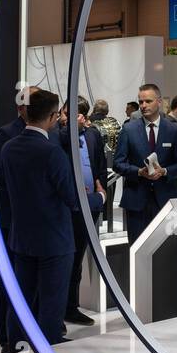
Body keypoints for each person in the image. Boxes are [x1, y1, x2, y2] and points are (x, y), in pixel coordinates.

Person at [0, 89, 102, 351]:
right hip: (55, 240)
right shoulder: (50, 153)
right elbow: (73, 199)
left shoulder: (9, 148)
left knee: (21, 300)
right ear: (53, 116)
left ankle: (16, 347)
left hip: (22, 238)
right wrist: (99, 198)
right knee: (51, 303)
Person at [114, 83, 177, 244]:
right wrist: (138, 172)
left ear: (159, 102)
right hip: (136, 200)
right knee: (137, 248)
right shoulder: (129, 129)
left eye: (148, 101)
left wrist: (165, 171)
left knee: (167, 248)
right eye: (141, 102)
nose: (143, 105)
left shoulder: (174, 129)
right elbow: (118, 163)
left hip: (166, 200)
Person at [59, 96, 108, 325]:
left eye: (73, 114)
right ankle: (59, 308)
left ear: (85, 117)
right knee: (64, 260)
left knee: (78, 258)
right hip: (67, 207)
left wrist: (101, 194)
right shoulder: (57, 137)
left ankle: (71, 306)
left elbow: (99, 165)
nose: (67, 118)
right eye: (65, 113)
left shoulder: (93, 135)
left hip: (90, 205)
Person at [0, 100, 27, 351]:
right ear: (21, 107)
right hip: (11, 219)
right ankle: (5, 336)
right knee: (9, 279)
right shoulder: (5, 134)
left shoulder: (51, 133)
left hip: (36, 221)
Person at [89, 100, 121, 232]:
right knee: (110, 187)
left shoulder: (89, 122)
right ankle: (108, 216)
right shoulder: (115, 122)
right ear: (107, 111)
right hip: (112, 163)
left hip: (95, 162)